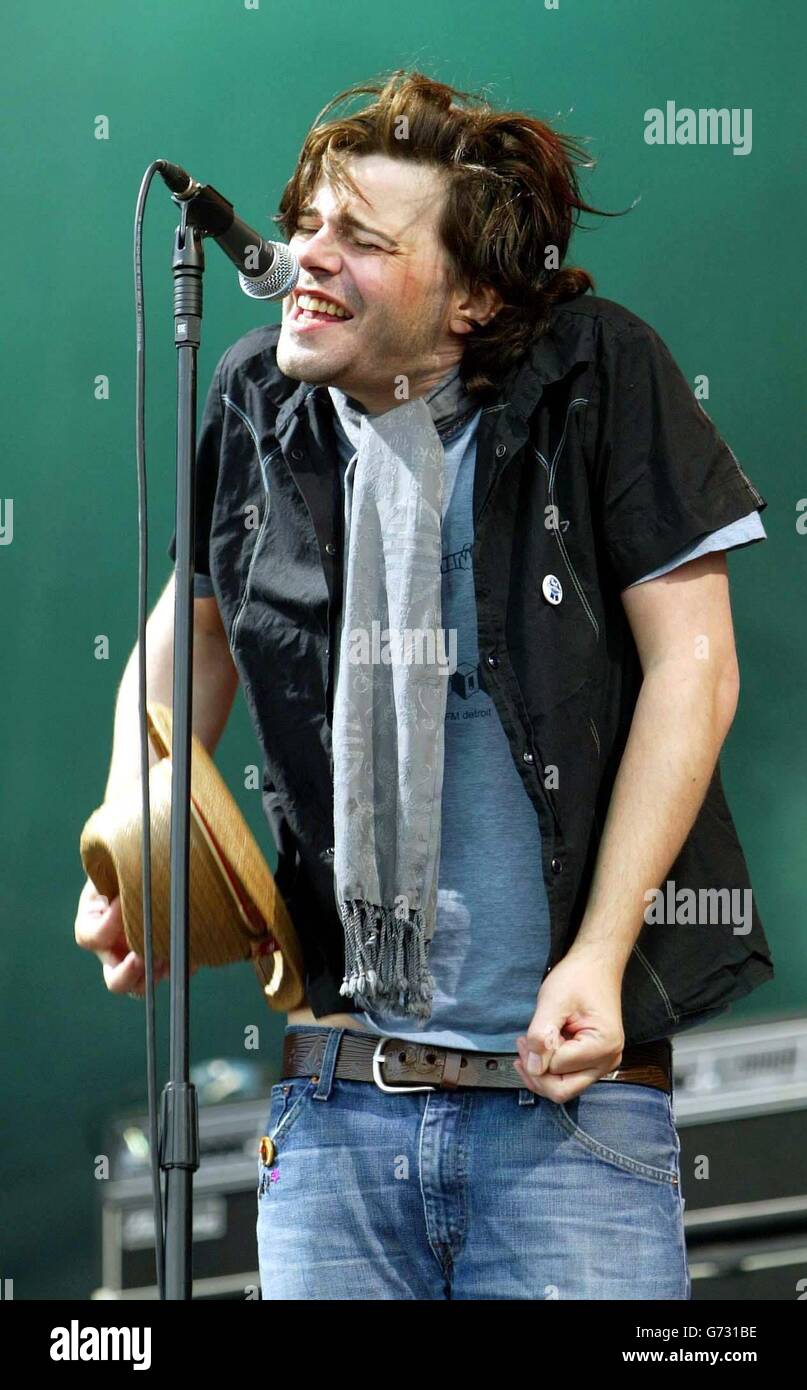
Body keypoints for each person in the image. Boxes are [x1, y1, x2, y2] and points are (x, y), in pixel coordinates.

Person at [75, 69, 774, 1299]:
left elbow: (695, 668)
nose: (308, 255)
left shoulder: (597, 376)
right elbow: (191, 639)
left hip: (572, 1116)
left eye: (360, 238)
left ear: (474, 297)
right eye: (308, 222)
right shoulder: (255, 401)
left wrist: (602, 954)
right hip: (339, 1106)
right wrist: (126, 841)